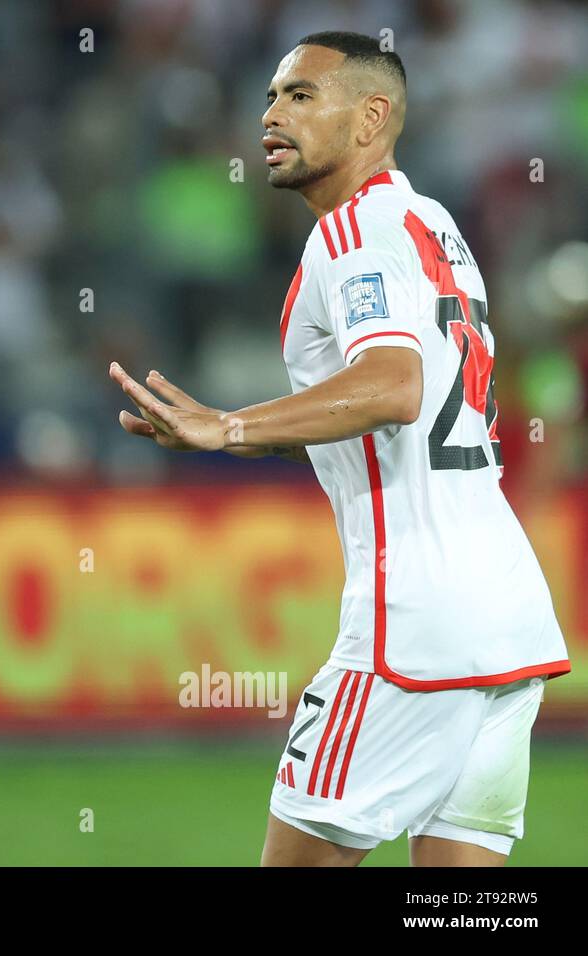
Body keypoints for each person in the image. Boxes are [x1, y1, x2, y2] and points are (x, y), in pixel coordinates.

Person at [109, 31, 570, 866]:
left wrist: (232, 426)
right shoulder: (431, 224)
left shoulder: (352, 232)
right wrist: (236, 434)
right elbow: (393, 428)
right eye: (272, 96)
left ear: (372, 118)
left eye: (300, 96)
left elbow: (394, 388)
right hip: (505, 617)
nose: (270, 116)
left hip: (412, 628)